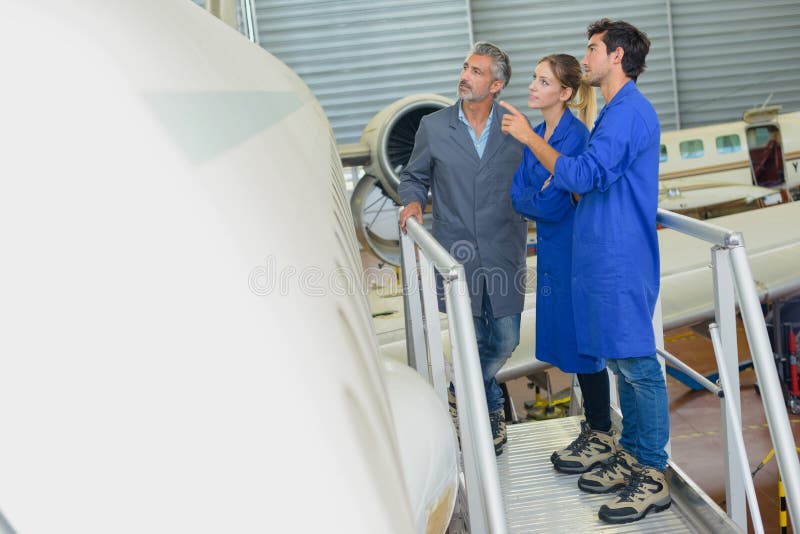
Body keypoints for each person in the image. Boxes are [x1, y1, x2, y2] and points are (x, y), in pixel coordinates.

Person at [500, 19, 670, 524]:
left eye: (593, 49)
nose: (587, 56)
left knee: (637, 365)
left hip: (620, 256)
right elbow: (579, 184)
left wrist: (532, 139)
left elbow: (581, 175)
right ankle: (633, 455)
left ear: (617, 56)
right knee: (618, 363)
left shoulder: (628, 113)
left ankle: (652, 472)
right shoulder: (614, 113)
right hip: (601, 254)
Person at [398, 41, 526, 456]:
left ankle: (460, 388)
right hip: (458, 254)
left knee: (505, 340)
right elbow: (414, 176)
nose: (465, 76)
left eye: (476, 71)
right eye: (465, 67)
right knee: (468, 339)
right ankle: (491, 415)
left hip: (504, 248)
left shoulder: (515, 125)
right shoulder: (434, 127)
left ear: (496, 84)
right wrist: (413, 200)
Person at [508, 54, 615, 476]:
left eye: (543, 81)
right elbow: (519, 196)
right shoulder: (537, 134)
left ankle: (602, 431)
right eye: (534, 79)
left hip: (575, 249)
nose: (533, 87)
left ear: (565, 93)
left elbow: (553, 201)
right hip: (553, 249)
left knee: (585, 341)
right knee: (566, 338)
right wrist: (545, 192)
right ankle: (592, 426)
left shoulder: (577, 137)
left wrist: (545, 193)